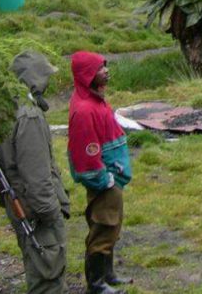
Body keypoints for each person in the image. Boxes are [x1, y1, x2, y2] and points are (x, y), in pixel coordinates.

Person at [0, 51, 71, 294]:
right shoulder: (29, 115)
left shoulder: (7, 109)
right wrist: (51, 212)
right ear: (33, 79)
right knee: (48, 278)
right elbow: (37, 177)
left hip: (23, 208)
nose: (48, 82)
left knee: (38, 270)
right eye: (45, 76)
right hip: (37, 213)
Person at [68, 51, 133, 294]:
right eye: (99, 68)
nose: (106, 71)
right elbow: (86, 154)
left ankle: (108, 274)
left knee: (112, 224)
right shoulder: (85, 110)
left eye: (105, 66)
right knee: (103, 226)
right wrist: (103, 179)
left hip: (112, 174)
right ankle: (96, 285)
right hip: (104, 178)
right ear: (87, 75)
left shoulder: (95, 99)